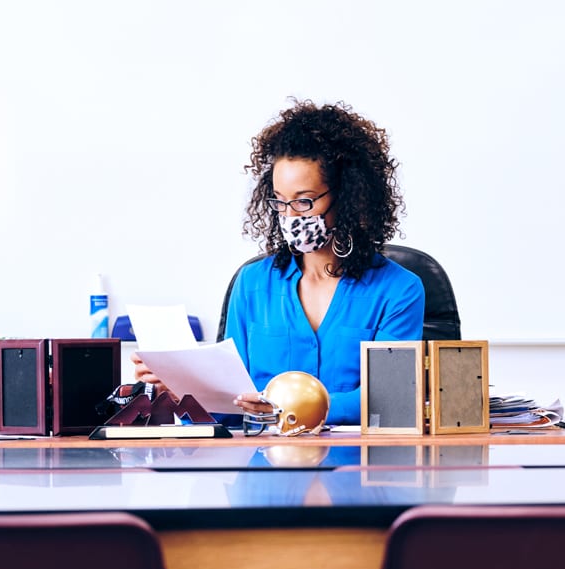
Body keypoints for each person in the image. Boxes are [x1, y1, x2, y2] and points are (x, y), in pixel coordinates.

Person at [132, 100, 424, 426]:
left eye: (303, 201)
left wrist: (280, 407)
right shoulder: (252, 283)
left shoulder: (400, 290)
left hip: (355, 469)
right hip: (261, 466)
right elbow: (227, 405)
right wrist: (181, 390)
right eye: (280, 201)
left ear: (347, 195)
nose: (289, 216)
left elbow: (386, 398)